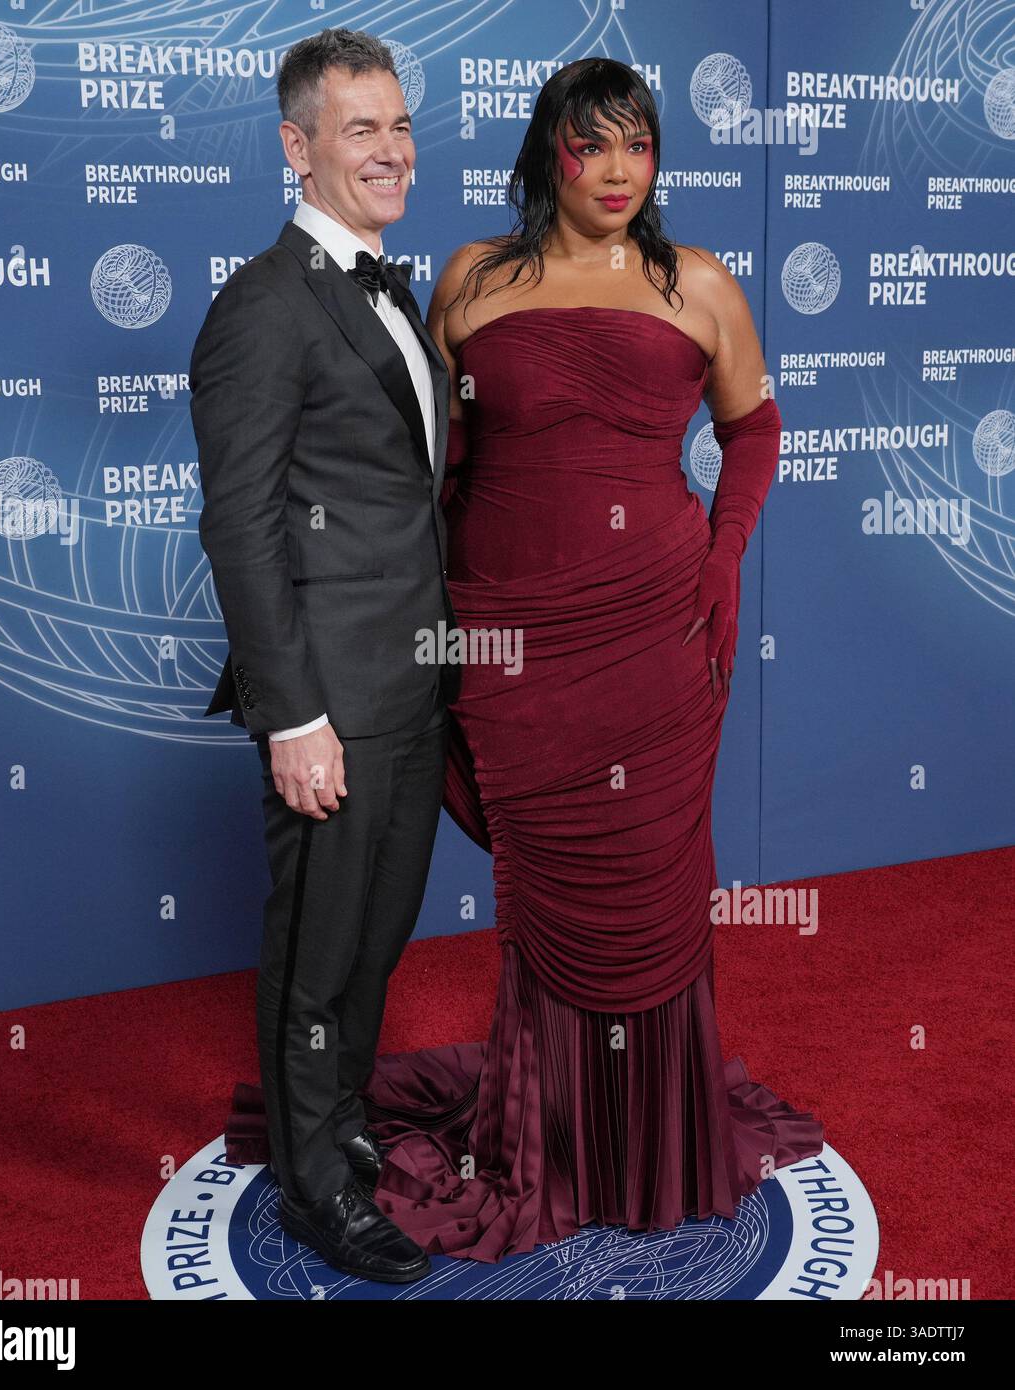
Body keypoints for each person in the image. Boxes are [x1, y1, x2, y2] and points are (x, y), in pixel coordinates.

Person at [348, 56, 825, 1259]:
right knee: (545, 886)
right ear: (544, 154)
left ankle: (645, 1141)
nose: (615, 171)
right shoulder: (470, 276)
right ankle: (545, 1136)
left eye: (637, 146)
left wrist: (719, 560)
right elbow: (436, 462)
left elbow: (754, 425)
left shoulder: (697, 284)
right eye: (589, 144)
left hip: (655, 632)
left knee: (648, 886)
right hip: (511, 633)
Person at [191, 27, 460, 1283]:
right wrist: (291, 714)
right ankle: (309, 1190)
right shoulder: (261, 308)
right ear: (297, 148)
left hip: (410, 687)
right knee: (317, 947)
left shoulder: (392, 289)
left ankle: (339, 1124)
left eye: (400, 124)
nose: (392, 148)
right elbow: (240, 527)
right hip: (330, 710)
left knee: (374, 941)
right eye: (362, 129)